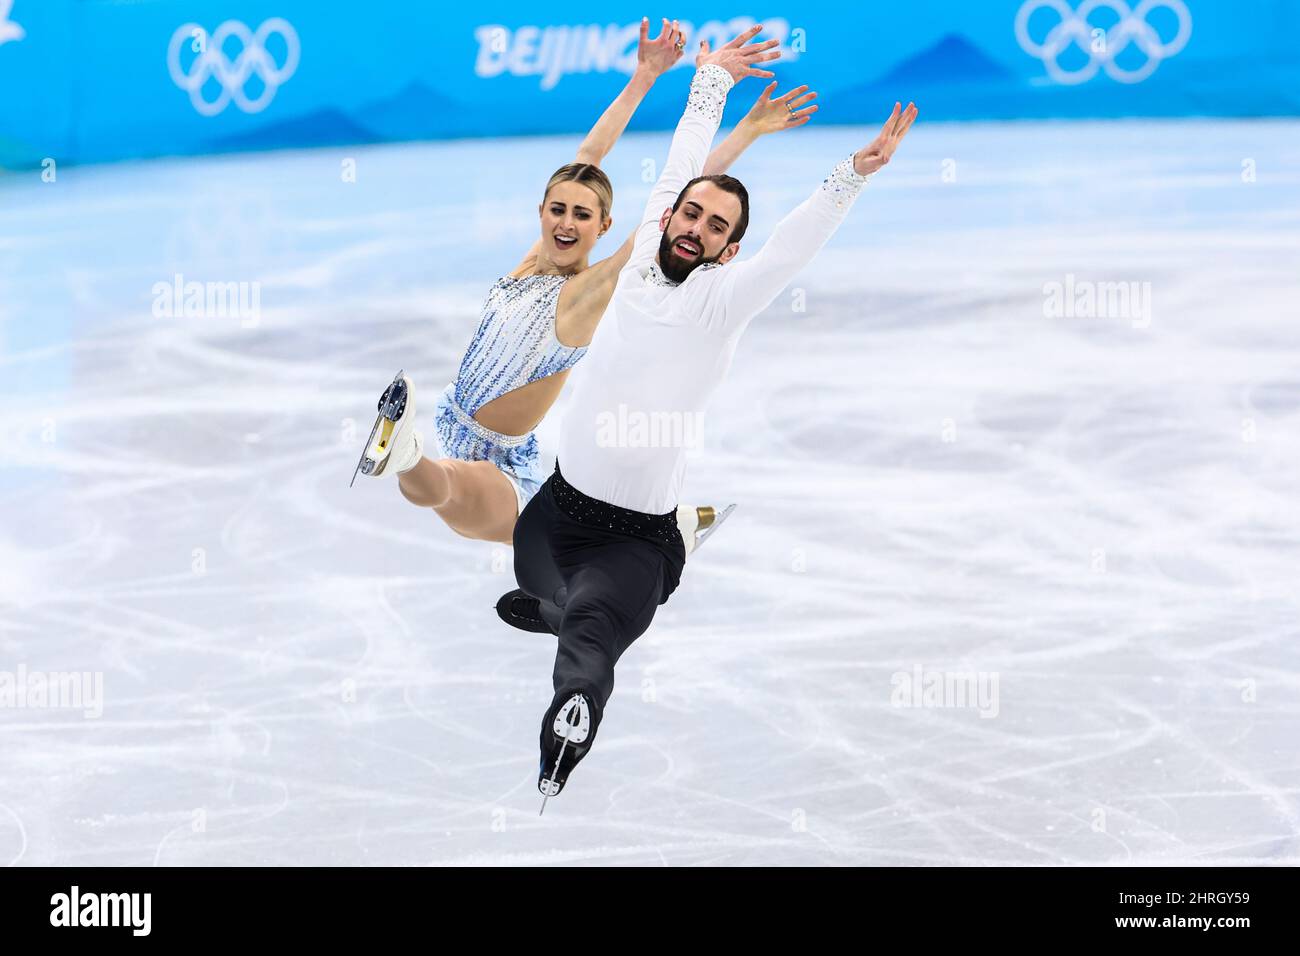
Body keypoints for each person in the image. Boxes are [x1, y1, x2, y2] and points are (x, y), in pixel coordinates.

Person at [505, 33, 919, 800]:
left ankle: (569, 721)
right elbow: (684, 156)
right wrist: (710, 81)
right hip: (557, 508)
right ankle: (555, 605)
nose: (695, 225)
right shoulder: (640, 254)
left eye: (715, 226)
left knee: (593, 632)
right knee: (534, 579)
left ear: (727, 251)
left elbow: (792, 248)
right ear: (669, 217)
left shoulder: (721, 301)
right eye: (690, 213)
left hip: (633, 542)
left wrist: (848, 177)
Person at [355, 21, 809, 557]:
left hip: (501, 463)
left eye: (583, 215)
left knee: (449, 489)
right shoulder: (530, 263)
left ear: (606, 227)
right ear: (542, 212)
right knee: (479, 504)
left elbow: (685, 203)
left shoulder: (590, 292)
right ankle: (667, 529)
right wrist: (643, 76)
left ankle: (404, 453)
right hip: (462, 421)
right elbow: (590, 154)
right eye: (558, 210)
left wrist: (743, 135)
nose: (568, 222)